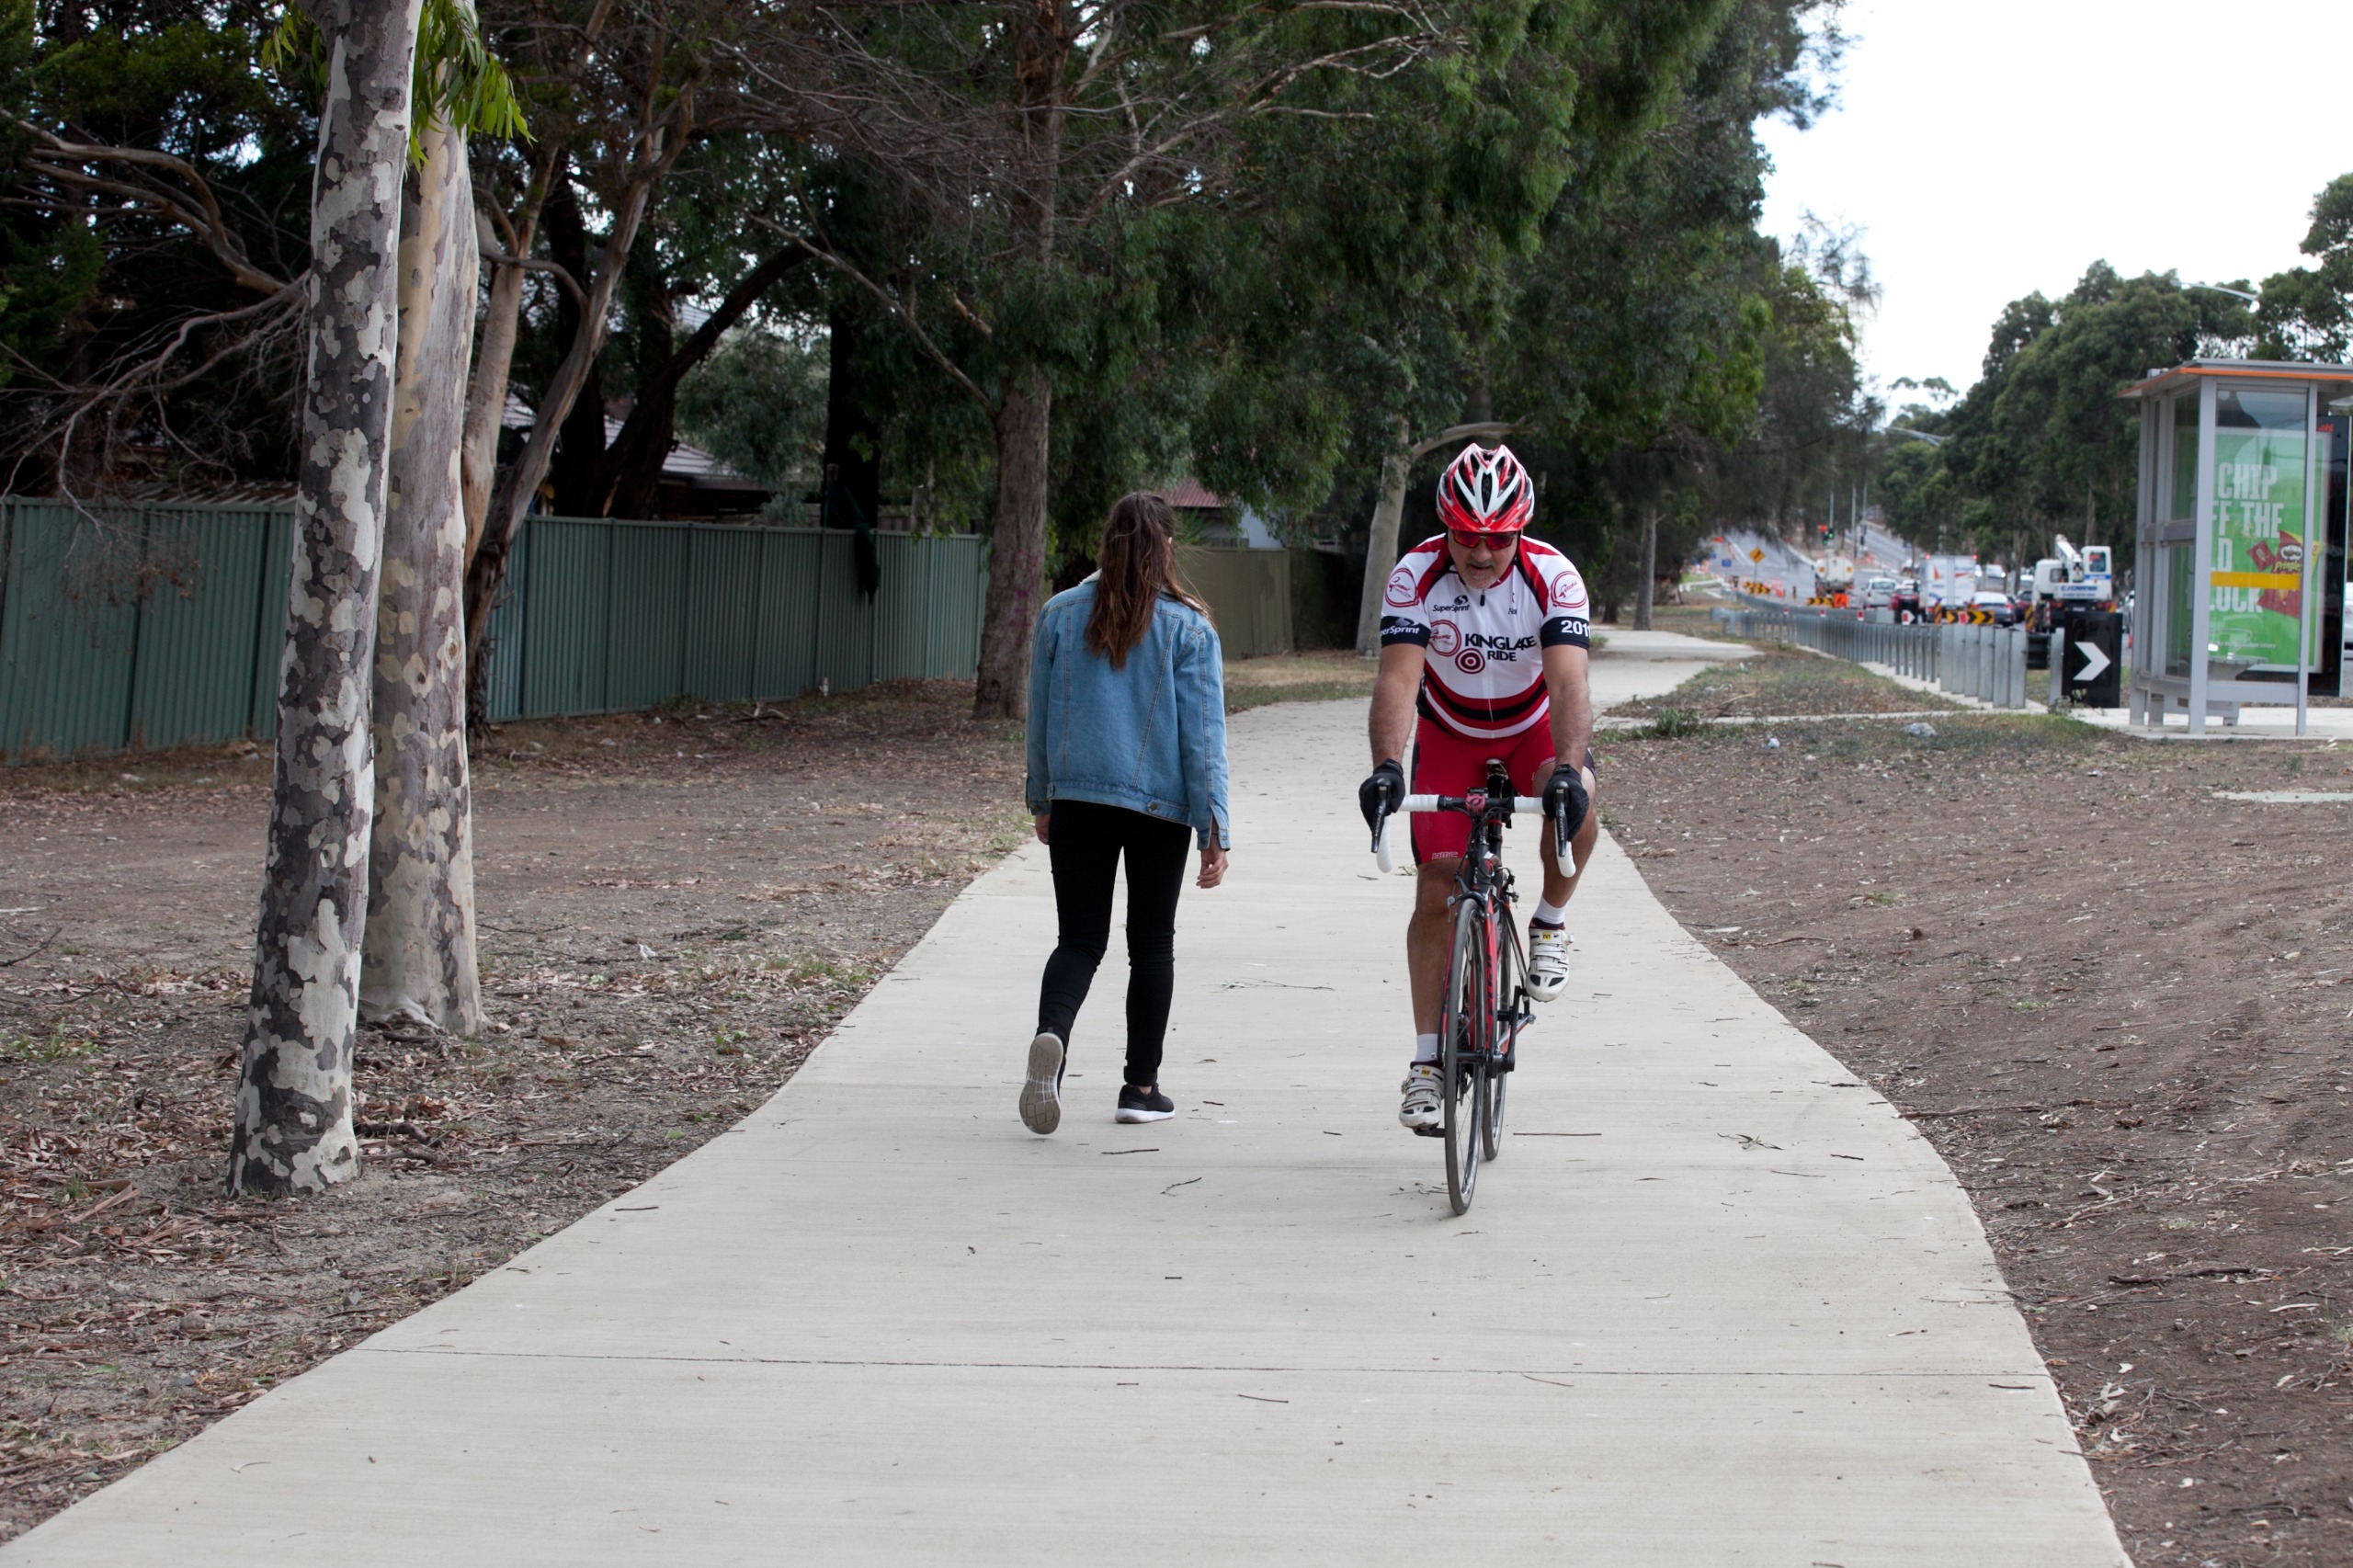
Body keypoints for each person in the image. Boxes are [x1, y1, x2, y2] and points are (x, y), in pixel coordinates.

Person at [1356, 442, 1597, 1135]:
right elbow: (1399, 680)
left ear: (1519, 531)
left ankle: (1549, 922)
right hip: (1452, 733)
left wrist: (1571, 770)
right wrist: (1387, 767)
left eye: (1497, 538)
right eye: (1467, 536)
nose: (1482, 552)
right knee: (1435, 886)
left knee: (1575, 800)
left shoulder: (1554, 577)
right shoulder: (1415, 575)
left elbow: (1570, 683)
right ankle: (1429, 1064)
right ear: (1446, 528)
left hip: (1530, 727)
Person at [1020, 492, 1232, 1134]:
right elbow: (1202, 736)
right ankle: (1140, 1088)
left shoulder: (1058, 615)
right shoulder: (1190, 627)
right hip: (1157, 812)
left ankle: (1051, 1041)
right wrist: (1213, 828)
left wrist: (1043, 796)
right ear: (1167, 546)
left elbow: (1040, 716)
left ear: (1105, 543)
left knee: (1079, 941)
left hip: (1077, 801)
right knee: (1152, 945)